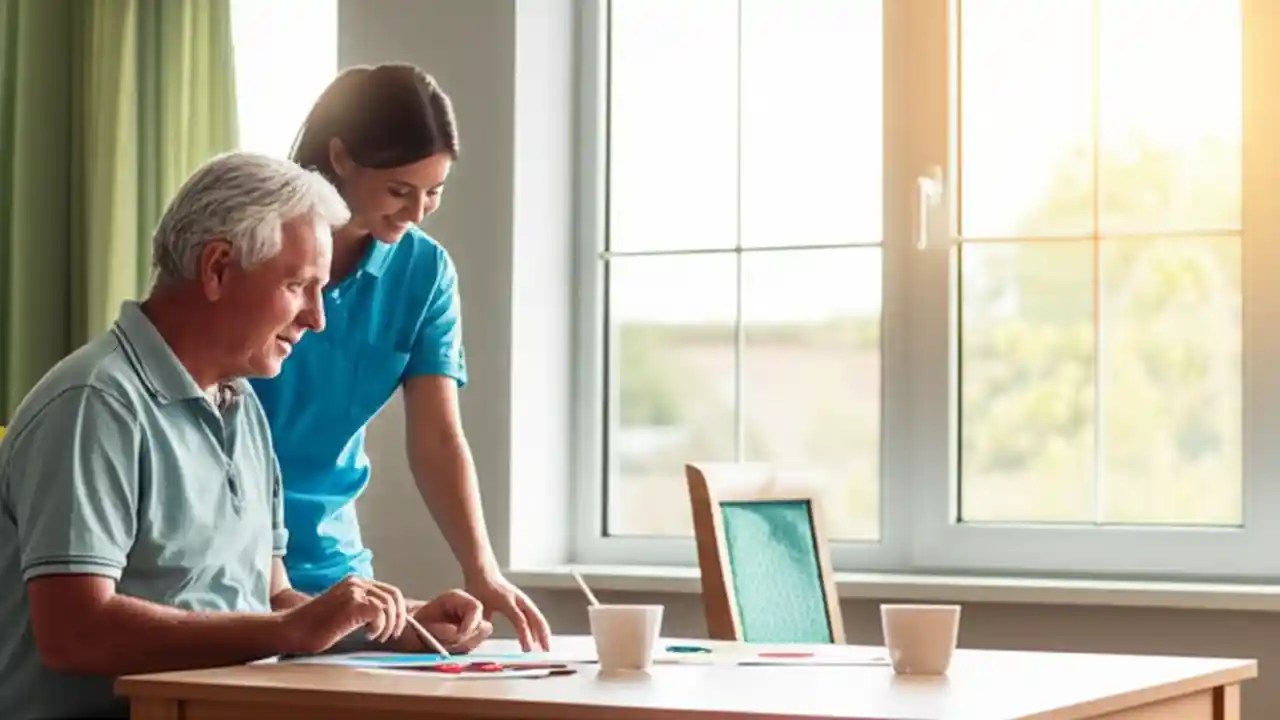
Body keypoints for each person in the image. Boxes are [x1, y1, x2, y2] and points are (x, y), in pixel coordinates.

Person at [0, 152, 491, 720]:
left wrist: (396, 628)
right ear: (217, 269)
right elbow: (75, 632)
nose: (316, 318)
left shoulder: (242, 408)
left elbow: (274, 598)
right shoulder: (96, 404)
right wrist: (287, 627)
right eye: (298, 286)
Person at [248, 63, 551, 651]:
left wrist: (481, 569)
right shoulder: (259, 243)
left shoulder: (424, 272)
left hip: (333, 568)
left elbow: (439, 437)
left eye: (434, 192)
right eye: (399, 191)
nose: (415, 212)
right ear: (341, 157)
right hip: (230, 558)